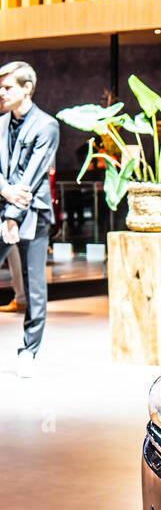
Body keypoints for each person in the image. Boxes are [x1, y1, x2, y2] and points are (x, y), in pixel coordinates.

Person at [0, 60, 58, 378]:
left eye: (7, 87)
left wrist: (12, 214)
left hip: (32, 214)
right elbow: (10, 183)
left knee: (34, 285)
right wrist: (6, 192)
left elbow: (32, 178)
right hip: (4, 206)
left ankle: (29, 350)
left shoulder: (47, 125)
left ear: (27, 88)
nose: (1, 92)